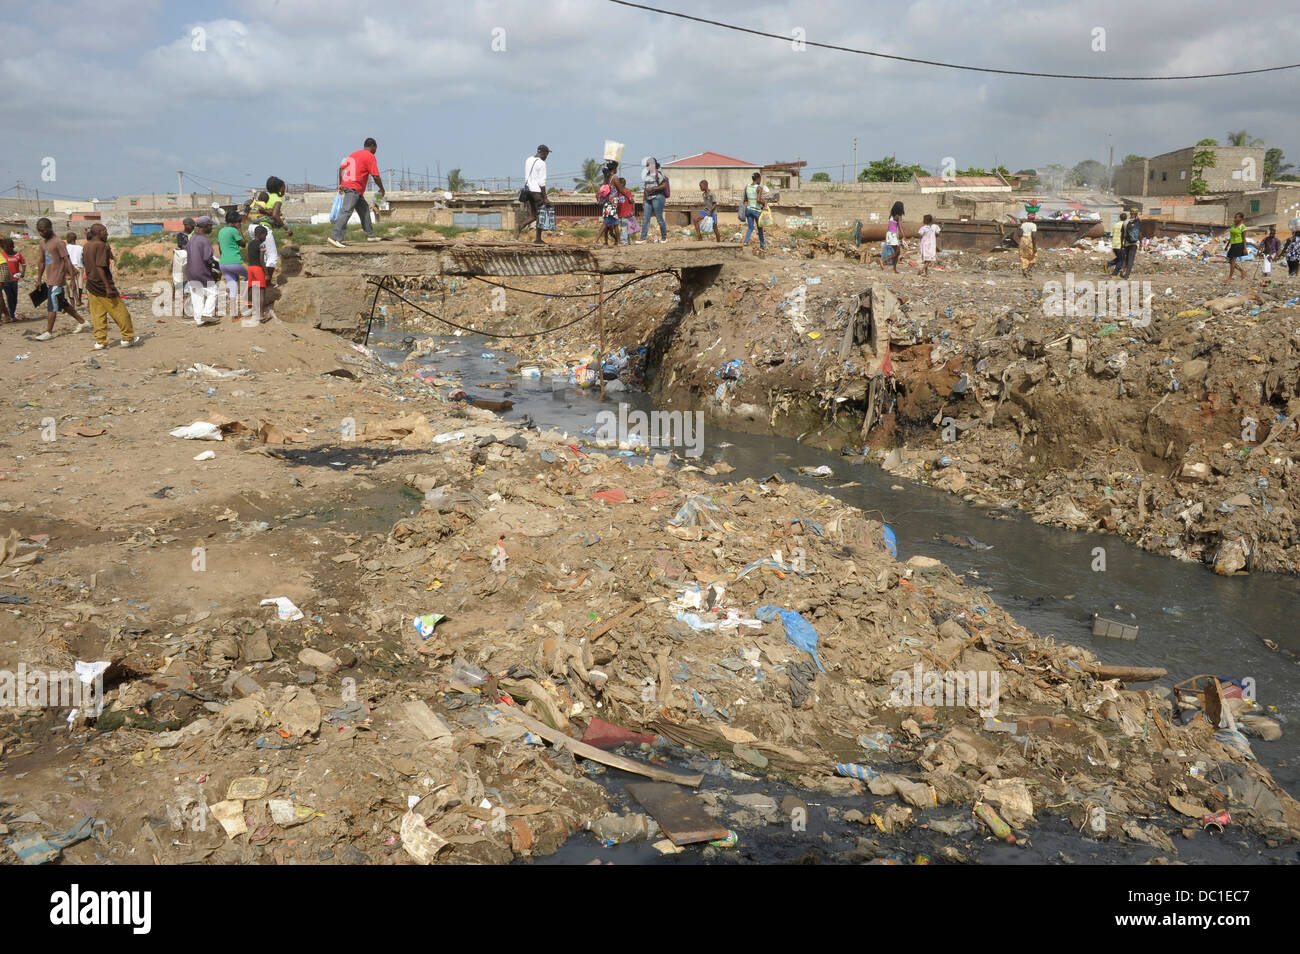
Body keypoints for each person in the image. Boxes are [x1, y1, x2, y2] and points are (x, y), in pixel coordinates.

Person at [82, 224, 138, 348]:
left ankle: (100, 341)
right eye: (105, 231)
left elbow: (90, 262)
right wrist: (108, 286)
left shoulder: (87, 245)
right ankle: (128, 337)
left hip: (91, 284)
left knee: (98, 314)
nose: (107, 234)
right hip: (102, 284)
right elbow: (100, 266)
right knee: (120, 311)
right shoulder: (100, 245)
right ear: (99, 232)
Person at [33, 217, 88, 340]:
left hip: (57, 279)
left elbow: (67, 260)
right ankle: (82, 321)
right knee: (62, 303)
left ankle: (48, 332)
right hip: (50, 278)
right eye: (39, 231)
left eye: (43, 230)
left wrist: (72, 280)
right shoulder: (43, 243)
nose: (41, 233)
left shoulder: (58, 243)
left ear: (50, 228)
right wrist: (39, 279)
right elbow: (42, 262)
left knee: (52, 304)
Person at [328, 138, 384, 248]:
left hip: (352, 188)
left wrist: (341, 183)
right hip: (353, 188)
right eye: (375, 148)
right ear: (373, 146)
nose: (375, 151)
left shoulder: (353, 154)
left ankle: (370, 235)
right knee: (346, 211)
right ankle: (335, 238)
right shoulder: (370, 156)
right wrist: (382, 189)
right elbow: (376, 176)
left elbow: (341, 168)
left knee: (364, 209)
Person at [184, 216, 220, 325]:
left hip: (190, 271)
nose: (211, 228)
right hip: (201, 271)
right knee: (213, 291)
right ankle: (207, 314)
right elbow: (207, 258)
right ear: (205, 227)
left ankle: (199, 320)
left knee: (197, 296)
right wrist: (214, 265)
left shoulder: (192, 238)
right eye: (210, 226)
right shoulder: (204, 240)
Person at [516, 145, 550, 243]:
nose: (546, 157)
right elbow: (542, 183)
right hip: (536, 192)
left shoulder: (528, 160)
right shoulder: (542, 163)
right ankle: (538, 239)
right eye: (546, 154)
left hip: (528, 191)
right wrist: (545, 198)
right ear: (543, 153)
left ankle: (520, 226)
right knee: (541, 214)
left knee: (534, 215)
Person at [216, 209, 247, 319]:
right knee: (252, 275)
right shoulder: (234, 230)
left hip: (223, 263)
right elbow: (244, 244)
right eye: (239, 222)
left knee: (233, 287)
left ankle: (234, 312)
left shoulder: (221, 231)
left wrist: (224, 258)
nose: (240, 224)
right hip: (235, 262)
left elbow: (220, 249)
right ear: (235, 222)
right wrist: (240, 230)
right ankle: (245, 300)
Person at [245, 225, 274, 323]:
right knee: (261, 292)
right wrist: (266, 273)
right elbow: (262, 259)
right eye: (265, 235)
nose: (265, 238)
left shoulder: (250, 243)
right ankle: (261, 315)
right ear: (261, 234)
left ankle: (252, 310)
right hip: (258, 269)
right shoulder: (262, 245)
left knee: (253, 290)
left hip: (250, 268)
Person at [639, 158, 669, 243]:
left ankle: (664, 237)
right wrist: (643, 200)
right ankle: (643, 238)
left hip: (658, 197)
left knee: (659, 218)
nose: (646, 166)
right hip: (648, 199)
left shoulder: (658, 174)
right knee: (645, 219)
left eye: (648, 164)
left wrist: (652, 188)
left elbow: (664, 185)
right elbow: (645, 189)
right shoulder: (647, 175)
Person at [742, 172, 767, 252]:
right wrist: (765, 203)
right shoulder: (759, 188)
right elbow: (758, 200)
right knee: (760, 229)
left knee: (750, 227)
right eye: (760, 179)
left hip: (748, 210)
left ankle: (746, 241)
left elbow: (745, 199)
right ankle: (762, 246)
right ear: (758, 179)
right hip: (756, 211)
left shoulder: (747, 187)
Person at [1, 237, 25, 323]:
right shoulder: (2, 255)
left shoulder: (17, 255)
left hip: (15, 280)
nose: (8, 249)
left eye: (9, 247)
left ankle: (11, 313)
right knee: (9, 296)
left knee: (14, 297)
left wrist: (23, 272)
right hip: (5, 279)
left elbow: (23, 263)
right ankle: (9, 314)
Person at [595, 170, 620, 246]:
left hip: (606, 206)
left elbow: (601, 197)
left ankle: (616, 241)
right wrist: (614, 203)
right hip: (611, 206)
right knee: (606, 224)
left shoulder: (604, 185)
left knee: (614, 224)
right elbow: (614, 196)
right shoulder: (612, 184)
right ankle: (596, 240)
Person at [1223, 212, 1248, 282]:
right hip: (1233, 245)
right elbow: (1231, 237)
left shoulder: (1243, 227)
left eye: (1236, 217)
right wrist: (1227, 245)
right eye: (1235, 217)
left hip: (1239, 244)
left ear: (1241, 218)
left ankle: (1230, 277)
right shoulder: (1233, 226)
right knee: (1229, 260)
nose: (1235, 219)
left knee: (1233, 261)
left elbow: (1244, 238)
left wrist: (1245, 248)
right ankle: (1242, 271)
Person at [64, 232, 85, 306]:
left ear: (68, 239)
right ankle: (79, 300)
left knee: (70, 285)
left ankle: (73, 301)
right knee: (80, 284)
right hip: (79, 266)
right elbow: (83, 258)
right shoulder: (80, 247)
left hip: (69, 267)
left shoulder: (66, 247)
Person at [1121, 211, 1142, 279]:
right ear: (1136, 214)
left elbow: (1122, 234)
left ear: (1130, 214)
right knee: (1131, 260)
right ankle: (1127, 275)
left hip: (1126, 243)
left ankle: (1122, 269)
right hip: (1134, 243)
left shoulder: (1125, 222)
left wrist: (1122, 243)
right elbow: (1139, 233)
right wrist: (1141, 242)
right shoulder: (1138, 222)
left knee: (1126, 258)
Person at [616, 177, 636, 245]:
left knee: (624, 228)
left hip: (627, 213)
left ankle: (624, 241)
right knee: (625, 229)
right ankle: (627, 242)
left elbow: (633, 202)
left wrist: (633, 211)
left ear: (622, 184)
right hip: (621, 214)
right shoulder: (618, 194)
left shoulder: (627, 192)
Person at [1018, 213, 1037, 278]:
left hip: (1023, 240)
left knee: (1023, 256)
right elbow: (1034, 236)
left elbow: (1019, 234)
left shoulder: (1023, 224)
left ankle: (1024, 272)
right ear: (1033, 218)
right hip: (1029, 240)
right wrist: (1034, 246)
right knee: (1033, 257)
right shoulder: (1033, 225)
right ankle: (1027, 271)